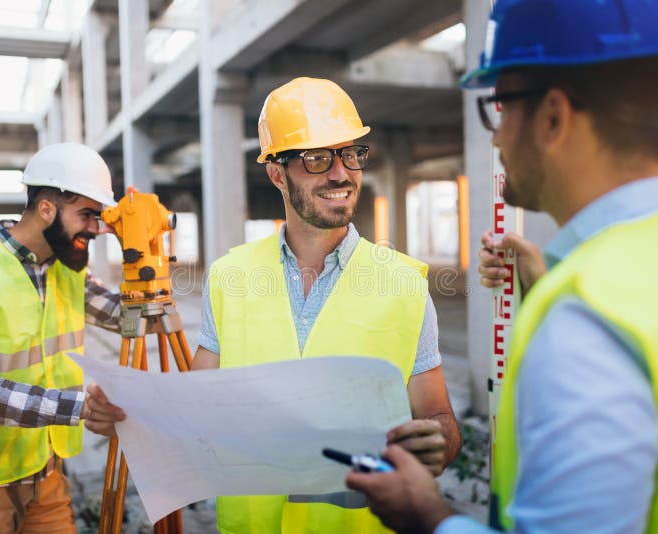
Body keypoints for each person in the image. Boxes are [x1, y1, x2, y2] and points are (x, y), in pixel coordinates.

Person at [345, 0, 658, 533]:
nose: (495, 136)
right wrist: (543, 286)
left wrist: (427, 513)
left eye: (500, 105)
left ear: (552, 117)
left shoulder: (584, 322)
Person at [179, 76, 458, 534]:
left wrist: (437, 440)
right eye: (316, 158)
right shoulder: (229, 277)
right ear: (276, 173)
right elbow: (197, 407)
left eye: (349, 154)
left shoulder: (405, 284)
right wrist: (137, 414)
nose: (341, 173)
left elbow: (439, 419)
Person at [0, 142, 122, 533]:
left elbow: (126, 317)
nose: (96, 229)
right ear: (47, 208)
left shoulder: (64, 270)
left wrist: (142, 248)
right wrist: (82, 407)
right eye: (87, 215)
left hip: (41, 468)